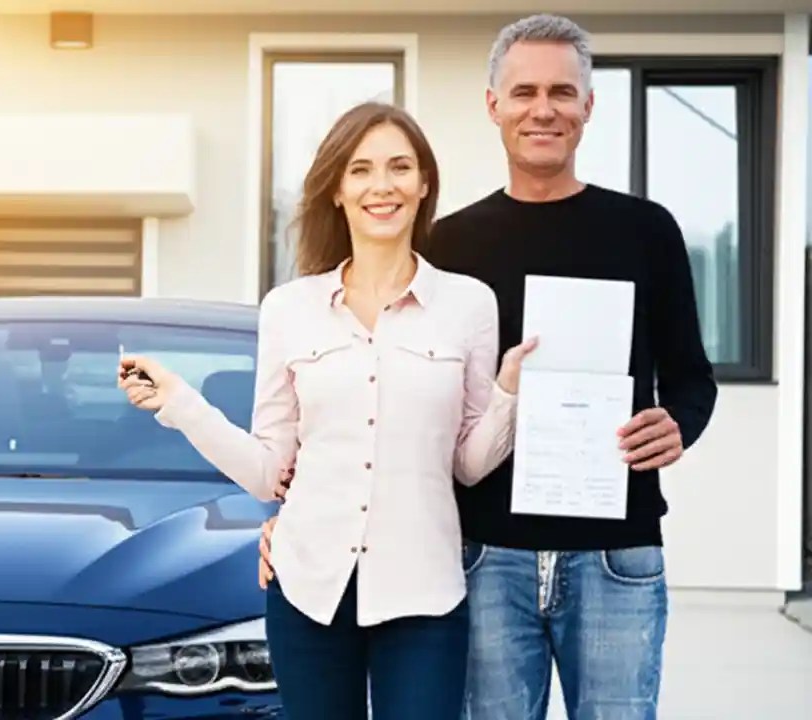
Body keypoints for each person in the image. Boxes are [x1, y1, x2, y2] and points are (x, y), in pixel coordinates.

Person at [258, 13, 718, 720]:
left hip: (615, 554)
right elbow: (376, 399)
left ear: (588, 107)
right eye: (525, 91)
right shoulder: (449, 247)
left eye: (563, 93)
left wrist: (679, 424)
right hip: (484, 555)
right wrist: (300, 522)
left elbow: (692, 377)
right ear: (493, 105)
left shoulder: (646, 231)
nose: (544, 109)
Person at [118, 102, 537, 719]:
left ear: (424, 184)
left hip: (423, 593)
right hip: (309, 589)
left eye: (400, 167)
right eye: (361, 170)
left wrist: (508, 391)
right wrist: (180, 403)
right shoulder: (289, 308)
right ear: (338, 190)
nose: (382, 185)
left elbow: (469, 465)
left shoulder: (469, 305)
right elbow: (268, 471)